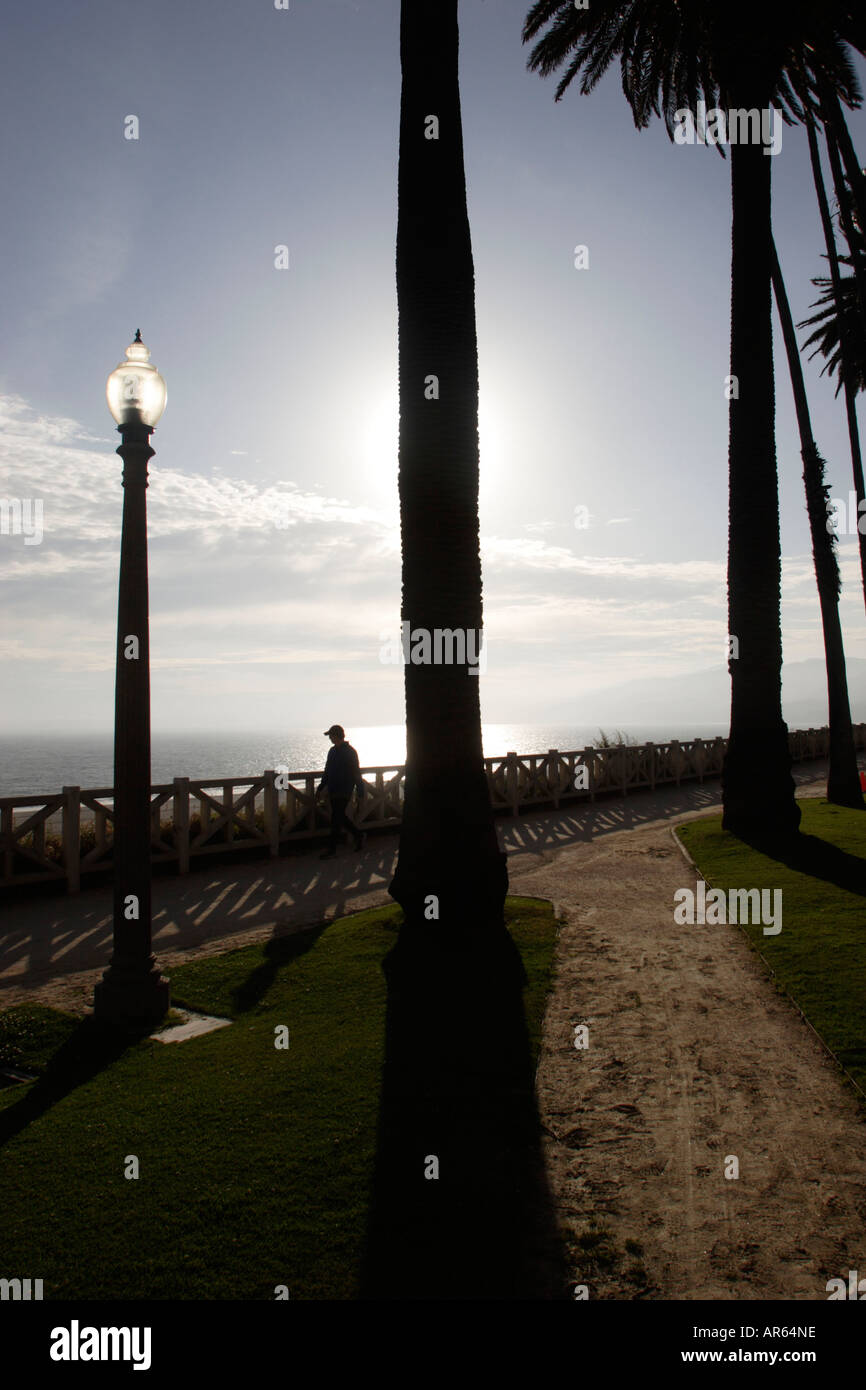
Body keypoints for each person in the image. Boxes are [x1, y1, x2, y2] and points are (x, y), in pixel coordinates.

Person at [318, 724, 366, 858]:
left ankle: (332, 850)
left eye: (331, 736)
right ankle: (359, 835)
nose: (330, 739)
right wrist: (321, 786)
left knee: (336, 817)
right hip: (333, 788)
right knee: (339, 817)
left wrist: (360, 791)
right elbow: (327, 771)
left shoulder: (350, 752)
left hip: (345, 789)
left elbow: (356, 772)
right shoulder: (332, 751)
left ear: (336, 736)